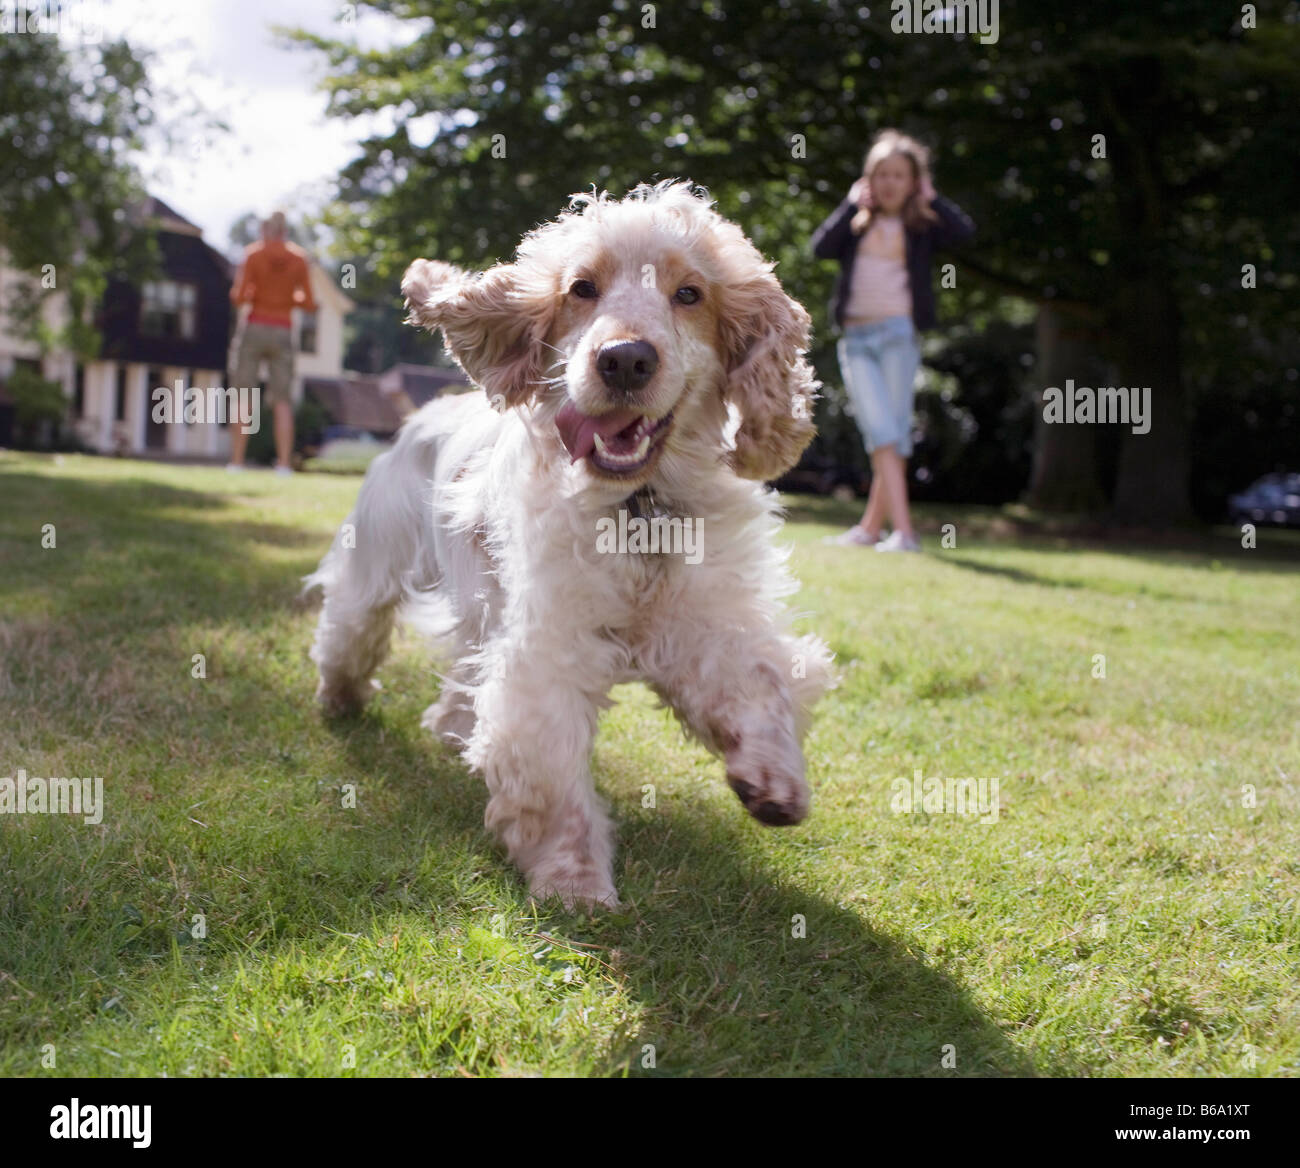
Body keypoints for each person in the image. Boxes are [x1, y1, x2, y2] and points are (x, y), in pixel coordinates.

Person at [811, 130, 974, 551]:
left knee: (893, 434)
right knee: (883, 431)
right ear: (869, 179)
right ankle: (899, 532)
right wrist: (849, 204)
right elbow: (819, 247)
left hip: (898, 336)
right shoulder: (856, 224)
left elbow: (964, 232)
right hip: (857, 338)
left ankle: (882, 530)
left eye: (900, 175)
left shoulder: (920, 226)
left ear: (913, 182)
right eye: (881, 174)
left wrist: (932, 197)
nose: (889, 183)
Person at [227, 211, 316, 474]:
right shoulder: (299, 259)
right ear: (285, 232)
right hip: (283, 330)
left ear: (264, 231)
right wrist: (289, 298)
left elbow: (239, 298)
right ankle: (283, 465)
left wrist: (257, 293)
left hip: (254, 326)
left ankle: (236, 462)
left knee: (244, 395)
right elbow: (309, 303)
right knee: (283, 401)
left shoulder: (253, 255)